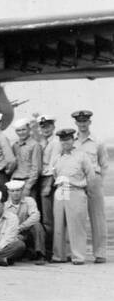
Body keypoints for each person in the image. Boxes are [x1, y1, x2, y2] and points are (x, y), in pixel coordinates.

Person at [51, 127, 97, 264]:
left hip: (75, 189)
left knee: (76, 225)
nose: (65, 142)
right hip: (60, 190)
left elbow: (91, 175)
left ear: (73, 140)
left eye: (68, 139)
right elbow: (54, 175)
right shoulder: (57, 157)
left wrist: (86, 190)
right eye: (63, 140)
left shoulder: (81, 155)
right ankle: (59, 256)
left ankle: (78, 256)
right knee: (59, 225)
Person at [71, 109, 107, 263]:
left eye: (85, 121)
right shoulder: (72, 141)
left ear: (89, 122)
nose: (82, 124)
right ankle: (77, 254)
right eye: (79, 122)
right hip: (77, 181)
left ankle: (100, 253)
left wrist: (97, 181)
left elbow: (104, 164)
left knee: (97, 217)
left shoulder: (97, 142)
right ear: (76, 123)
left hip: (94, 180)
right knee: (76, 217)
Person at [5, 179, 46, 262]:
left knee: (37, 225)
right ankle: (24, 254)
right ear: (8, 192)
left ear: (22, 191)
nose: (15, 193)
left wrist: (21, 227)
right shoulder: (5, 206)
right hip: (15, 234)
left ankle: (40, 254)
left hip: (27, 231)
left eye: (18, 190)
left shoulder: (29, 201)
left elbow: (35, 216)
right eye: (12, 191)